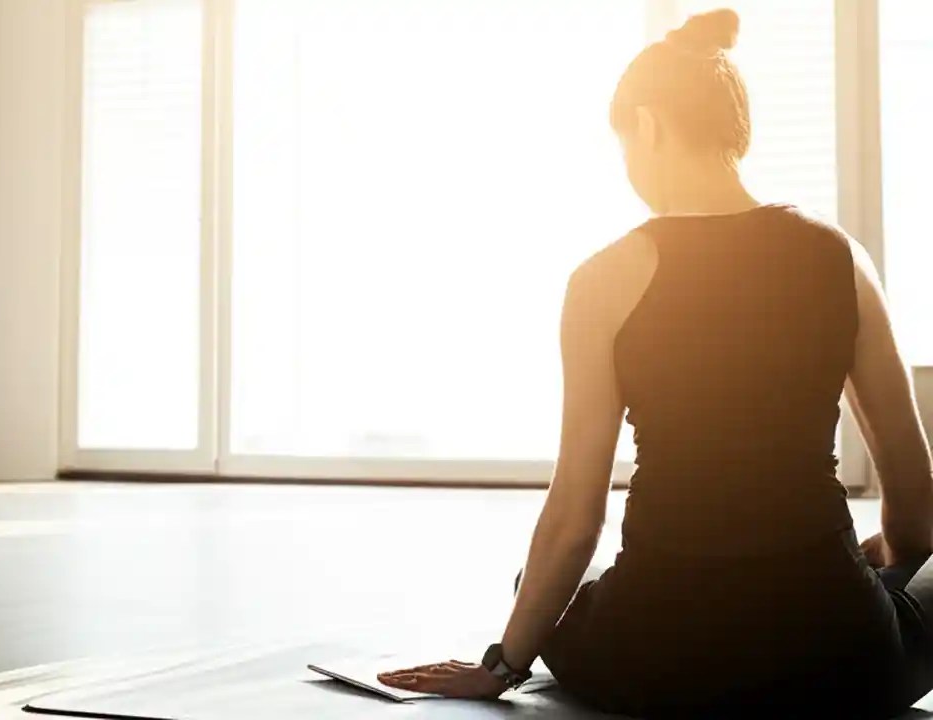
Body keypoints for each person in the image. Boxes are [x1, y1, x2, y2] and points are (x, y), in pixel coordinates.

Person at [378, 8, 933, 718]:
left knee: (539, 583)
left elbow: (574, 519)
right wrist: (878, 559)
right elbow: (915, 507)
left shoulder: (602, 280)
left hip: (653, 662)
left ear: (646, 125)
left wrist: (502, 666)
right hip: (841, 666)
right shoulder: (840, 258)